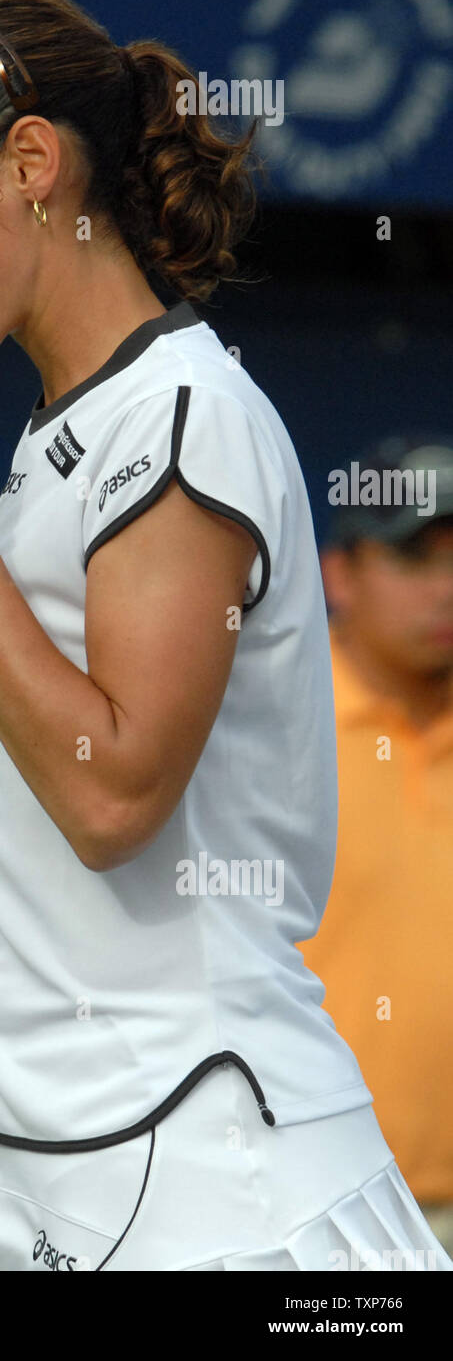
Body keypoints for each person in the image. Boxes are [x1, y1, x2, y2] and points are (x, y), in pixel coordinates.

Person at [0, 0, 452, 1271]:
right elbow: (149, 855)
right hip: (42, 1166)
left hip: (214, 1184)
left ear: (27, 164)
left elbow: (117, 793)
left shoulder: (179, 420)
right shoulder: (67, 433)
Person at [301, 437, 453, 1255]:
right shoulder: (267, 732)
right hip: (319, 1212)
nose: (446, 589)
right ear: (339, 574)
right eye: (413, 557)